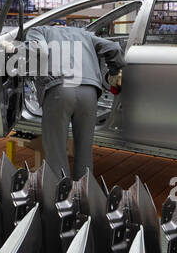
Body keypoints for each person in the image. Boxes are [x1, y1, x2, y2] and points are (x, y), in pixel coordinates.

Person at [22, 24, 124, 181]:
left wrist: (37, 74)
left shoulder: (37, 30)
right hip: (89, 92)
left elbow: (38, 50)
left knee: (56, 151)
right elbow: (112, 47)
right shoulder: (84, 33)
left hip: (59, 90)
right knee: (84, 149)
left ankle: (60, 198)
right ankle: (84, 194)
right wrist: (114, 72)